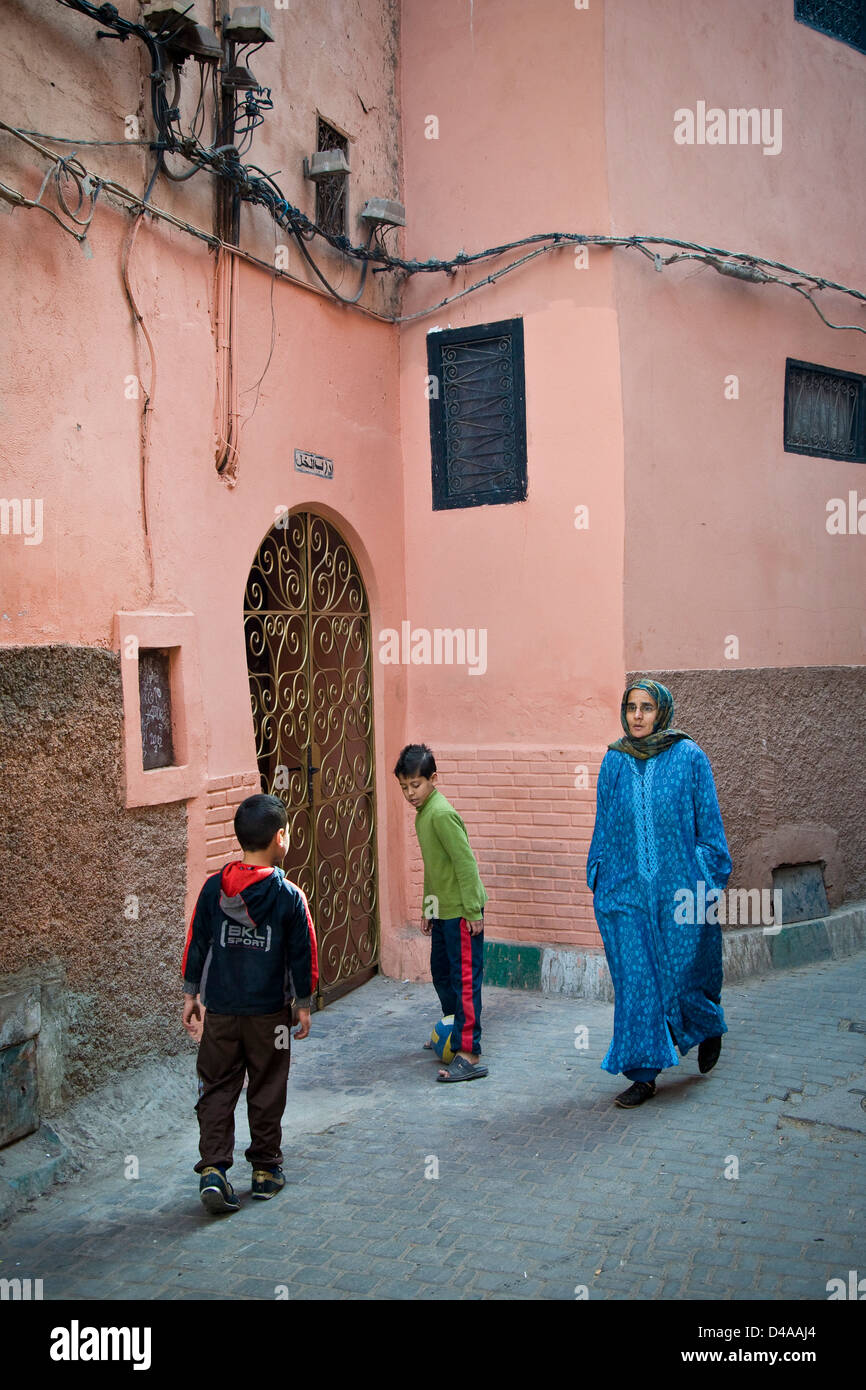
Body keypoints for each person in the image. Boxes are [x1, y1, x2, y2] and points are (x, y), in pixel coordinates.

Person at [586, 680, 732, 1108]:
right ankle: (643, 1075)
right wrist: (599, 874)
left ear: (662, 711)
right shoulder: (614, 762)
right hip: (626, 894)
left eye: (646, 708)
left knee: (687, 973)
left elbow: (710, 829)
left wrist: (704, 876)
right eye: (630, 707)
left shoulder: (690, 757)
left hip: (681, 893)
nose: (637, 716)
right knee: (636, 983)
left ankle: (708, 1026)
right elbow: (604, 826)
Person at [182, 793, 318, 1211]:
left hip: (221, 1012)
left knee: (218, 1087)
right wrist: (303, 1001)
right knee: (268, 1084)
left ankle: (213, 1169)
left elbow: (197, 941)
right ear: (280, 838)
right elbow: (303, 952)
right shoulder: (289, 896)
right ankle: (264, 1169)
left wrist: (191, 993)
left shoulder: (212, 889)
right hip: (270, 1020)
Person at [395, 743, 489, 1082]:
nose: (410, 793)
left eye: (416, 785)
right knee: (441, 973)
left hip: (463, 915)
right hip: (443, 912)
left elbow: (465, 865)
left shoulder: (442, 813)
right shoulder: (424, 815)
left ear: (433, 779)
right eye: (404, 787)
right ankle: (453, 1030)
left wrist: (473, 911)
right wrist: (428, 908)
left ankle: (468, 1053)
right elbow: (435, 868)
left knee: (465, 982)